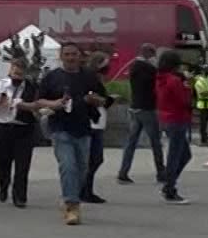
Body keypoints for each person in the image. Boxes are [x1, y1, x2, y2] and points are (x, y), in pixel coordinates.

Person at [35, 41, 108, 226]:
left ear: (80, 56)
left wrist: (94, 100)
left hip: (83, 129)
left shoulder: (89, 77)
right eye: (67, 54)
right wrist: (54, 104)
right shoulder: (52, 77)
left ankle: (71, 196)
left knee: (82, 169)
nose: (70, 58)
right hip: (60, 128)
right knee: (68, 166)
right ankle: (71, 206)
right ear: (61, 56)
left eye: (74, 54)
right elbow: (38, 101)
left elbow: (104, 99)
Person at [0, 59, 37, 205]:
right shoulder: (1, 85)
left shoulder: (32, 87)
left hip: (24, 129)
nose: (17, 76)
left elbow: (38, 104)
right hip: (3, 128)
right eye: (15, 72)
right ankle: (4, 184)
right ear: (10, 71)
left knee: (23, 165)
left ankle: (20, 196)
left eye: (21, 73)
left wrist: (26, 106)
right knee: (1, 162)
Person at [117, 43, 165, 186]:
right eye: (153, 54)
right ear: (149, 53)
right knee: (155, 142)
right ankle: (161, 172)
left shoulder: (134, 66)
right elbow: (155, 83)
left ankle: (123, 172)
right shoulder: (148, 68)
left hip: (135, 107)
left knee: (131, 142)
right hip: (147, 108)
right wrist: (156, 67)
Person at [155, 51, 195, 205]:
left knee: (181, 154)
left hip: (166, 117)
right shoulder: (174, 81)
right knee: (177, 155)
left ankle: (169, 182)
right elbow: (184, 100)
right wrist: (188, 87)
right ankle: (170, 187)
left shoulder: (160, 79)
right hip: (178, 118)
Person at [82, 51, 113, 204]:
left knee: (94, 158)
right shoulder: (91, 79)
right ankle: (85, 189)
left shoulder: (97, 79)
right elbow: (93, 98)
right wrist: (106, 100)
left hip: (98, 121)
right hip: (93, 122)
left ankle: (86, 188)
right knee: (95, 158)